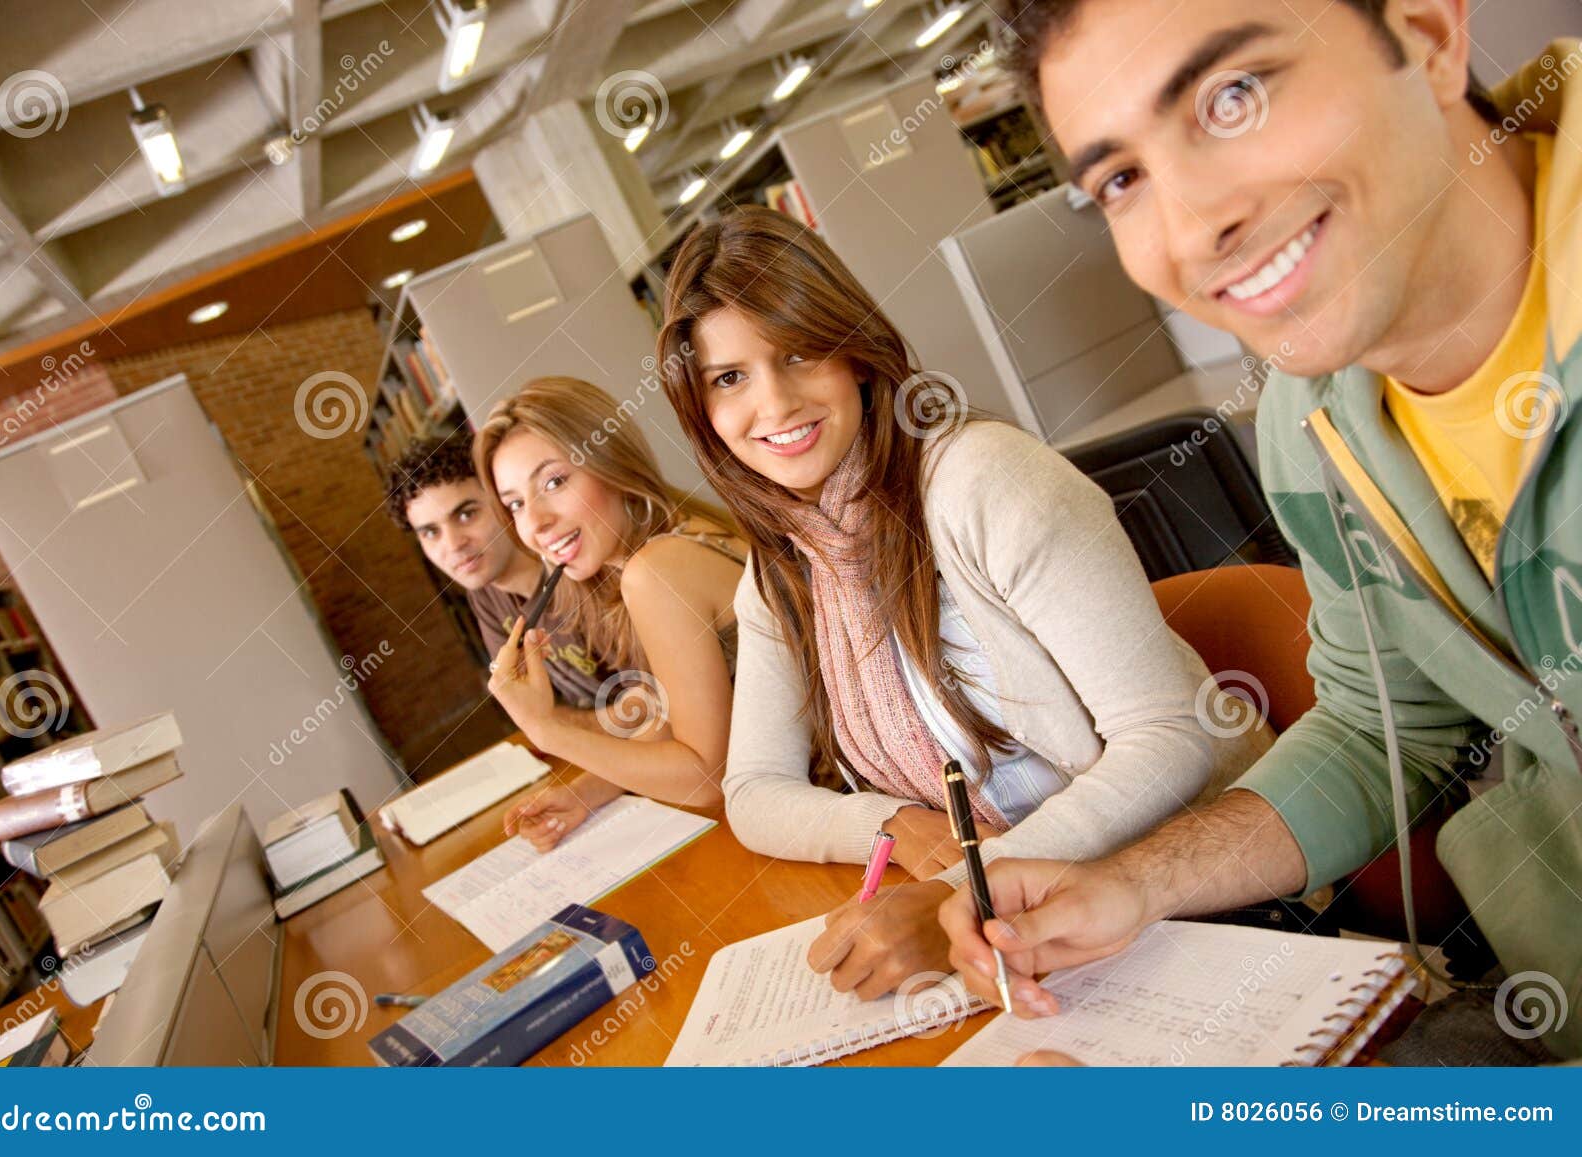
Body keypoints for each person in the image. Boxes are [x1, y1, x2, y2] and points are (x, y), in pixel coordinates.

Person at [939, 0, 1581, 1064]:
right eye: (1121, 179)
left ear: (1426, 32)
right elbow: (1385, 730)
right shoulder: (1312, 424)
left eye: (1231, 97)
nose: (1192, 229)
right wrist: (1132, 883)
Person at [656, 205, 1273, 1000]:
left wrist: (960, 894)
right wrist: (894, 825)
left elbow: (1172, 737)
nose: (772, 405)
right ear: (702, 410)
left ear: (857, 356)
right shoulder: (784, 567)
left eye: (800, 352)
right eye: (729, 378)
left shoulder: (986, 481)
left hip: (1191, 885)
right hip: (1026, 927)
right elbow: (752, 792)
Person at [476, 376, 746, 844]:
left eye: (555, 482)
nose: (535, 523)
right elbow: (673, 715)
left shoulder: (656, 571)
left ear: (612, 462)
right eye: (515, 504)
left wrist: (544, 729)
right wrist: (586, 792)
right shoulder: (680, 533)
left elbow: (704, 779)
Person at [383, 431, 613, 719]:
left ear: (503, 503)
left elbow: (655, 711)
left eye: (466, 515)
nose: (453, 545)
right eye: (431, 532)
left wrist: (550, 726)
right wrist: (548, 723)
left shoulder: (583, 570)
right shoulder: (484, 595)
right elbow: (530, 706)